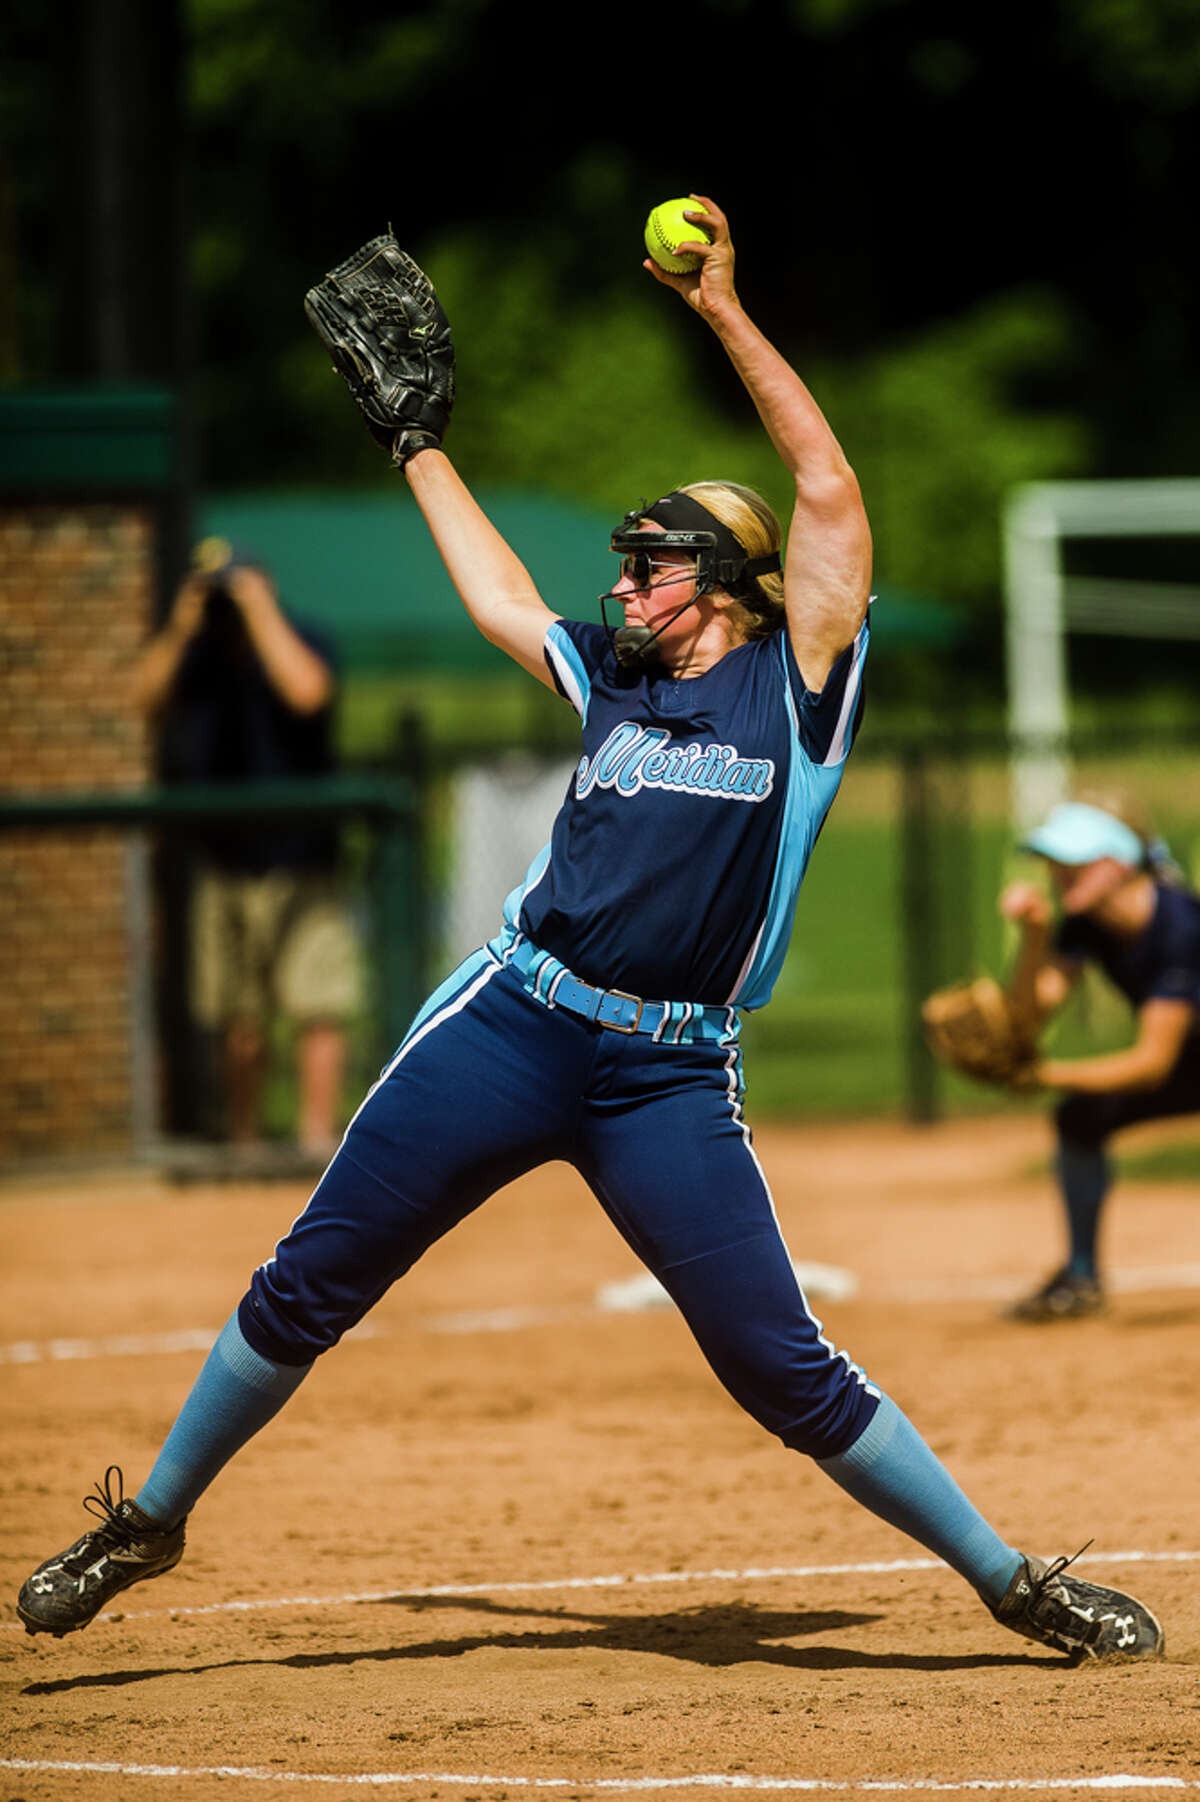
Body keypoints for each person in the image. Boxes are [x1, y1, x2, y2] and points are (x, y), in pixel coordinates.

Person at [17, 197, 1162, 1663]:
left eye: (647, 566)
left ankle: (1012, 1580)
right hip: (511, 1021)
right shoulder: (617, 680)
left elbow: (824, 486)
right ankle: (153, 1516)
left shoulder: (796, 690)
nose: (618, 588)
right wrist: (416, 445)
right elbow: (500, 596)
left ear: (725, 583)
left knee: (779, 1365)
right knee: (311, 1280)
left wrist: (720, 309)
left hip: (668, 1075)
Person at [131, 540, 362, 1157]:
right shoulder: (195, 653)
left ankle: (317, 1141)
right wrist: (182, 625)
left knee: (318, 1005)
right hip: (224, 861)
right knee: (239, 1016)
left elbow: (308, 692)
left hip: (303, 857)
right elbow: (141, 700)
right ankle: (245, 1144)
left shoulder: (302, 636)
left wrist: (259, 610)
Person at [999, 790, 1200, 1321]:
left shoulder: (1180, 927)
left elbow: (1151, 1064)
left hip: (1179, 1062)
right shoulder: (1085, 922)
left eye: (1077, 859)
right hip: (1192, 1065)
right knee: (1080, 1118)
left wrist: (1043, 1075)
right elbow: (1029, 1018)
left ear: (1121, 863)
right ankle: (1081, 1277)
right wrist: (1034, 938)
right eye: (1054, 860)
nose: (1059, 872)